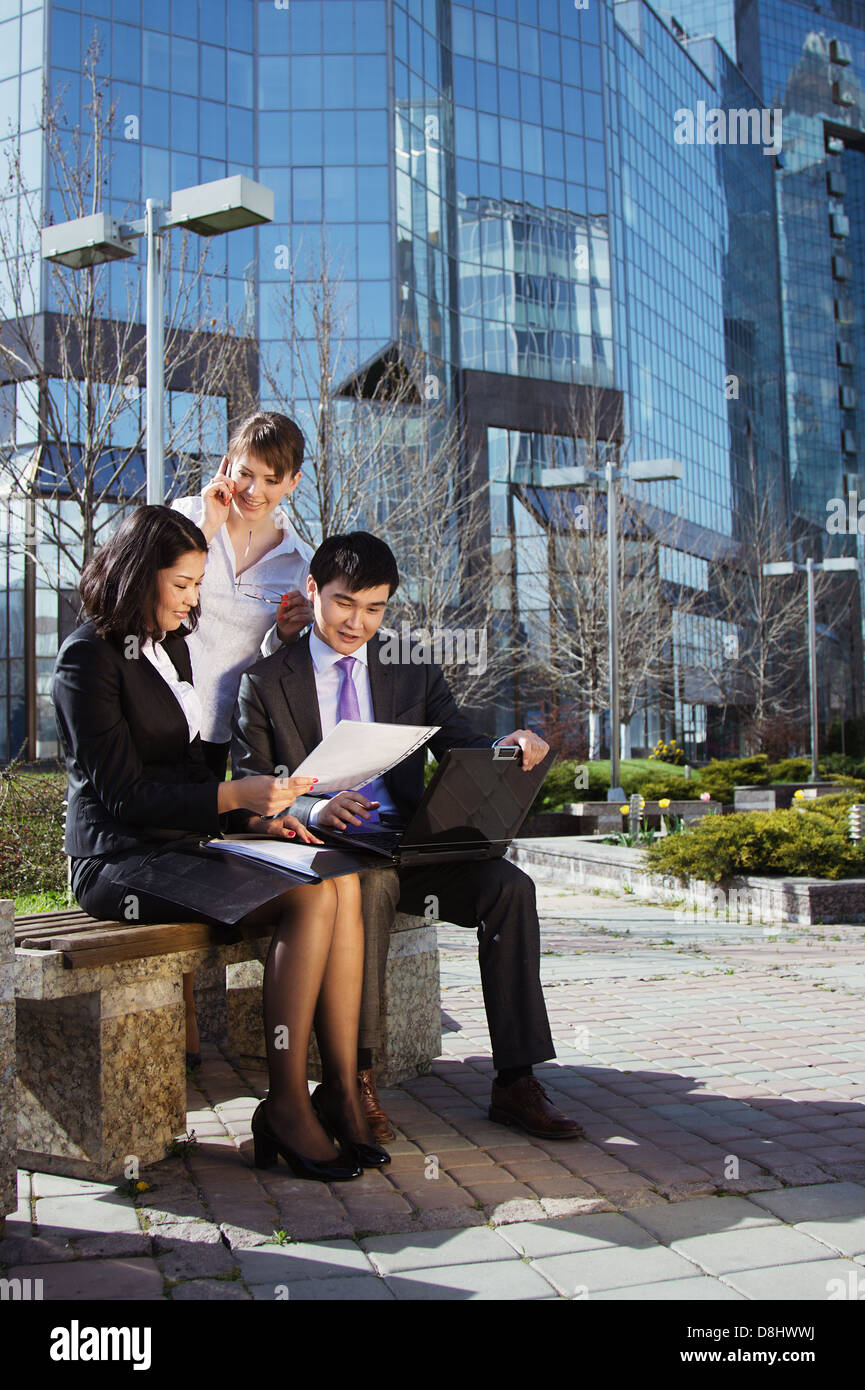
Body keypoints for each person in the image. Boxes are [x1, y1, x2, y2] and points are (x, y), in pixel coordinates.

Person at [52, 505, 390, 1180]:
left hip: (183, 847)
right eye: (181, 584)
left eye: (197, 583)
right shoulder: (86, 660)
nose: (192, 599)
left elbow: (190, 771)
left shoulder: (171, 646)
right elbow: (123, 797)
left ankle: (339, 1089)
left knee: (336, 878)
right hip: (117, 863)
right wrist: (234, 797)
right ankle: (287, 1105)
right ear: (135, 576)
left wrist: (259, 818)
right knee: (308, 901)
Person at [229, 531, 584, 1143]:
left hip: (410, 842)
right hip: (331, 851)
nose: (357, 622)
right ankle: (354, 1078)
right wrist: (314, 808)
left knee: (510, 889)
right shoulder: (265, 682)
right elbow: (253, 785)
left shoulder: (407, 666)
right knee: (363, 891)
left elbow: (458, 738)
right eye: (344, 603)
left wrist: (505, 746)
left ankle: (515, 1080)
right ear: (312, 591)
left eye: (375, 608)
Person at [171, 411, 313, 1060]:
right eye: (243, 471)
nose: (252, 488)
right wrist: (205, 518)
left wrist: (286, 635)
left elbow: (268, 657)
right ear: (228, 462)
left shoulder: (296, 561)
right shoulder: (187, 515)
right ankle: (185, 1023)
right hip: (167, 720)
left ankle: (214, 1011)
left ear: (292, 483)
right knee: (166, 861)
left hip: (232, 737)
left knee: (215, 866)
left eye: (269, 479)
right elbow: (159, 588)